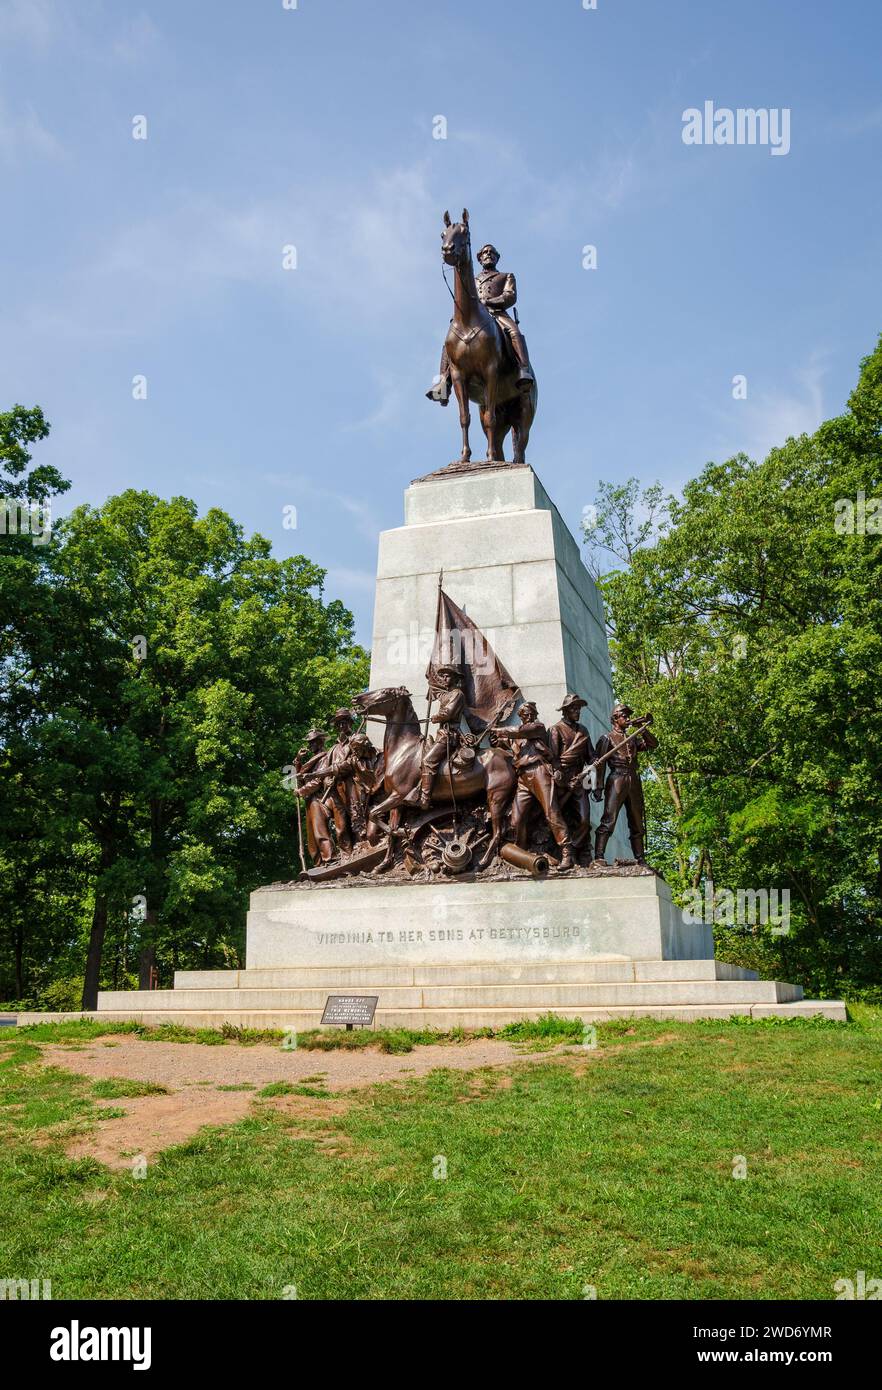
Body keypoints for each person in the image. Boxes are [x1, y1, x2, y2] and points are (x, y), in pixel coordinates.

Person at [427, 242, 534, 404]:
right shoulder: (474, 280)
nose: (488, 254)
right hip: (474, 317)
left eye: (491, 253)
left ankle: (523, 371)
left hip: (497, 313)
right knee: (449, 340)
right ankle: (443, 383)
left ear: (497, 258)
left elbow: (510, 296)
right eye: (484, 253)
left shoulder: (506, 276)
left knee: (515, 332)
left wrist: (489, 301)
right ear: (479, 259)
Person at [494, 701, 573, 871]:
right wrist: (495, 735)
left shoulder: (537, 727)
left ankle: (567, 853)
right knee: (516, 820)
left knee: (552, 813)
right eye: (524, 714)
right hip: (522, 777)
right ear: (520, 716)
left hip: (539, 771)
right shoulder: (516, 739)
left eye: (531, 713)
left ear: (535, 715)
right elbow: (504, 743)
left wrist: (499, 730)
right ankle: (521, 854)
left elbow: (517, 731)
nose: (528, 716)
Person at [592, 703, 657, 865]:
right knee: (609, 818)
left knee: (636, 820)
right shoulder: (606, 739)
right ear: (615, 719)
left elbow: (653, 744)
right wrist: (598, 787)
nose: (628, 719)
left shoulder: (632, 737)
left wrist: (642, 728)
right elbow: (599, 765)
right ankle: (599, 856)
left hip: (633, 779)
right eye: (624, 716)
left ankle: (640, 858)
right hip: (617, 779)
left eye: (628, 716)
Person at [549, 693, 596, 852]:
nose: (578, 712)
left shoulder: (583, 731)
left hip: (579, 779)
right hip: (562, 780)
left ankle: (574, 848)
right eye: (574, 708)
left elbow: (591, 756)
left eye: (579, 708)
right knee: (558, 817)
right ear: (566, 710)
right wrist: (559, 777)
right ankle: (561, 850)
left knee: (584, 820)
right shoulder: (556, 729)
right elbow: (553, 758)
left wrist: (595, 761)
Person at [419, 665, 465, 808]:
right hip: (441, 734)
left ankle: (425, 799)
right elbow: (439, 694)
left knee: (427, 761)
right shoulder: (446, 694)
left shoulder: (457, 694)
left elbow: (448, 713)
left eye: (448, 676)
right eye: (443, 676)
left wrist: (436, 717)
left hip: (449, 735)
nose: (444, 678)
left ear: (456, 678)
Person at [294, 728, 334, 864]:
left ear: (320, 742)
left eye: (312, 742)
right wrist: (298, 760)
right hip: (309, 799)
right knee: (311, 835)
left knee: (320, 830)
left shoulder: (325, 757)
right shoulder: (311, 761)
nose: (310, 745)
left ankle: (329, 859)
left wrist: (301, 791)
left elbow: (318, 781)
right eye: (309, 743)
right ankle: (318, 862)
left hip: (319, 798)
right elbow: (299, 777)